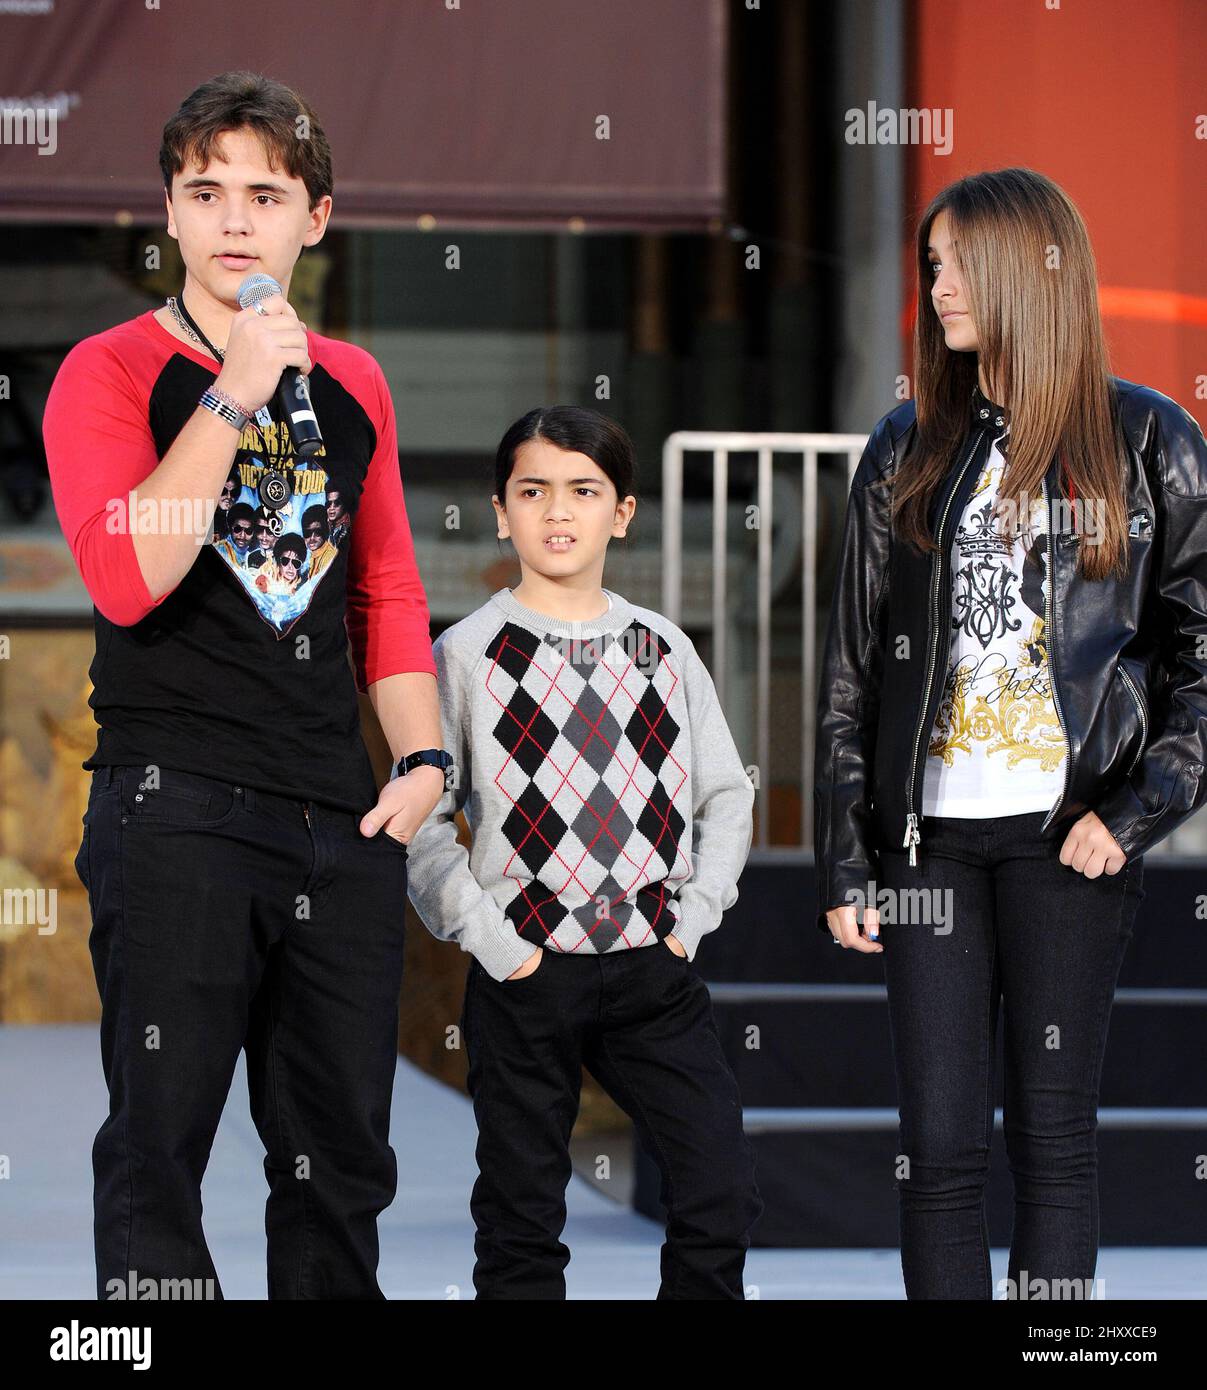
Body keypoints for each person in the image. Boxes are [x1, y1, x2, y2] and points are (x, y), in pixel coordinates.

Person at [43, 70, 449, 1300]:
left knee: (340, 1163)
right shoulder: (107, 372)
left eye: (263, 194)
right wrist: (234, 392)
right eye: (204, 190)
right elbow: (129, 574)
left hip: (337, 813)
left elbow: (385, 586)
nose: (232, 219)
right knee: (158, 1148)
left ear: (312, 220)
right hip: (179, 807)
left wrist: (424, 762)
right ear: (166, 212)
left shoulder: (358, 383)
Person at [813, 167, 1207, 1300]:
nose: (935, 285)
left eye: (958, 262)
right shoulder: (905, 445)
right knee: (936, 1148)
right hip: (928, 845)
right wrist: (850, 853)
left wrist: (1134, 815)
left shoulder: (1147, 438)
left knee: (1052, 1135)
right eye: (929, 264)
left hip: (1064, 842)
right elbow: (851, 668)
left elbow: (1198, 659)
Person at [405, 405, 765, 1299]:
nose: (556, 512)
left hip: (652, 966)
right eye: (533, 491)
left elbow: (724, 792)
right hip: (526, 973)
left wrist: (692, 917)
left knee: (717, 1186)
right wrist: (495, 943)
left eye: (582, 491)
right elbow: (424, 819)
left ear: (623, 511)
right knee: (522, 1218)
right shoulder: (464, 654)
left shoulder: (663, 649)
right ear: (499, 510)